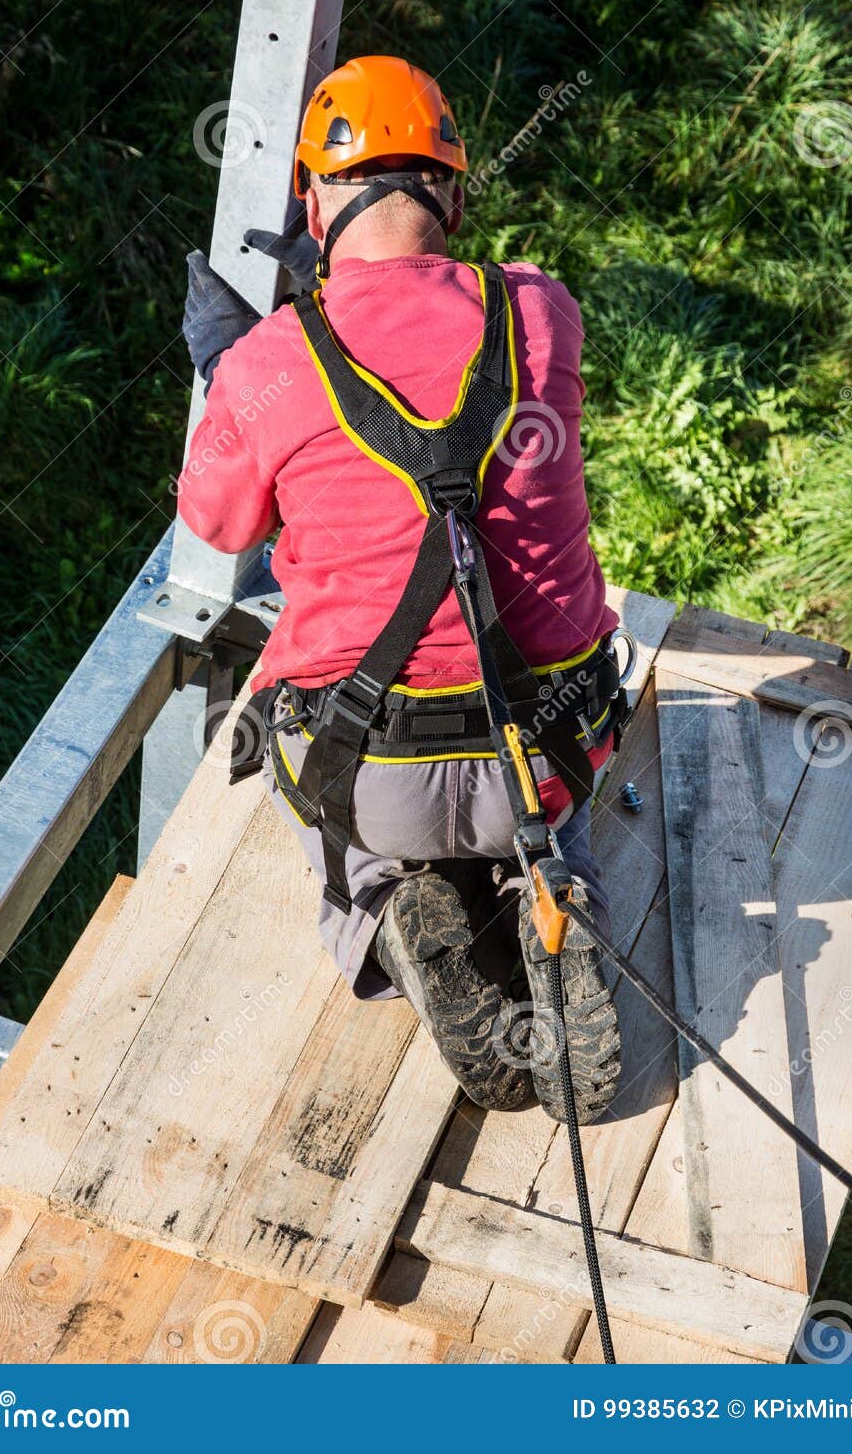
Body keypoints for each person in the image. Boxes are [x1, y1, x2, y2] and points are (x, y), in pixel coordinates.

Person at [177, 55, 624, 1121]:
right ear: (452, 196)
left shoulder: (271, 361)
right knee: (545, 813)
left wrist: (231, 375)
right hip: (548, 752)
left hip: (371, 767)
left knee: (306, 768)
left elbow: (218, 522)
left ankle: (383, 906)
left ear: (310, 204)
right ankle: (550, 887)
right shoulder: (538, 310)